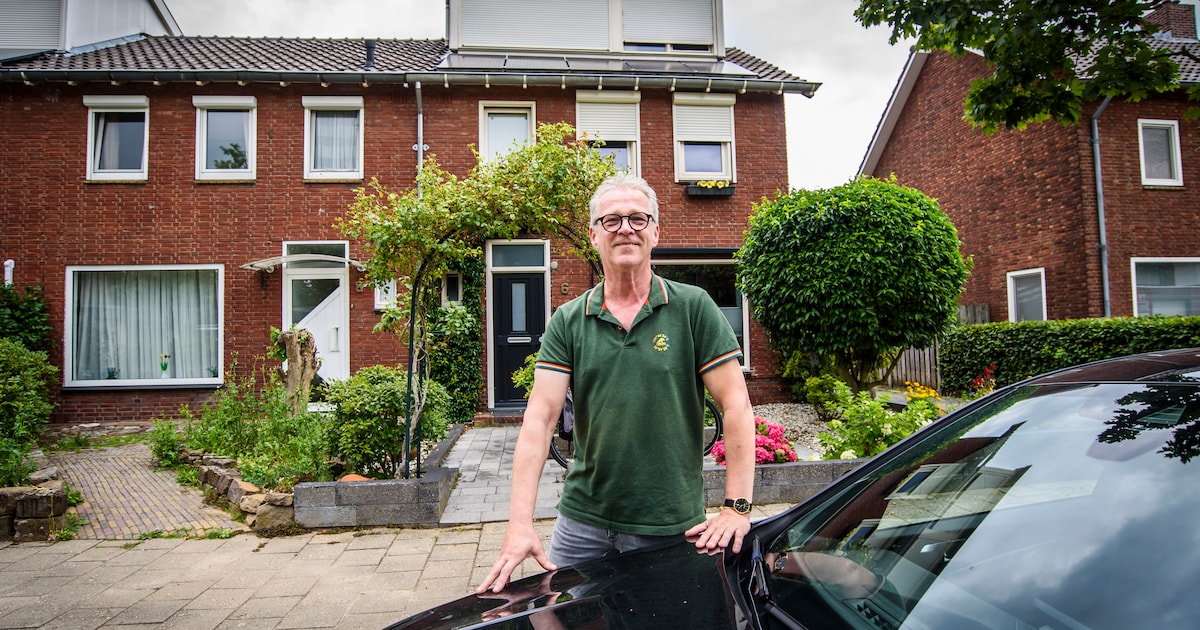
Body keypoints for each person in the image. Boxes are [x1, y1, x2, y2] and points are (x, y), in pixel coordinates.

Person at [477, 172, 756, 594]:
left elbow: (737, 406)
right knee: (564, 621)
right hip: (581, 525)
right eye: (612, 220)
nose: (625, 228)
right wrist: (519, 524)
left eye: (638, 219)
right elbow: (540, 418)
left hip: (671, 525)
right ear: (594, 235)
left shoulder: (692, 308)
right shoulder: (569, 320)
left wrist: (736, 508)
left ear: (655, 231)